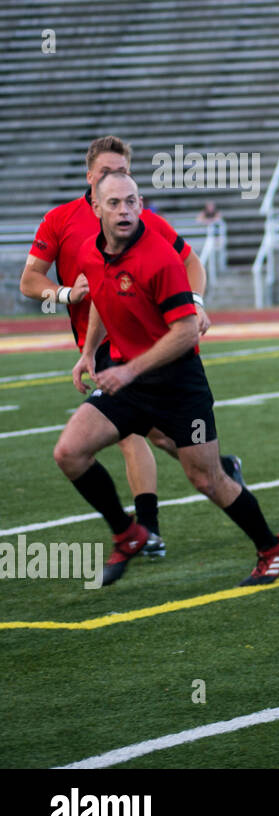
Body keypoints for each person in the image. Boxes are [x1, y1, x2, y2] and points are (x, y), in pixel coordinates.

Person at [52, 171, 279, 587]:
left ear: (141, 203)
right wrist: (89, 352)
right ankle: (127, 534)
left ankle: (273, 550)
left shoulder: (158, 258)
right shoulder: (92, 253)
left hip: (178, 386)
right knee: (69, 452)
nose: (124, 210)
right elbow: (100, 295)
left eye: (131, 201)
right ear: (96, 208)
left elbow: (184, 333)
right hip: (128, 381)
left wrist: (128, 369)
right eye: (114, 203)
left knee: (207, 479)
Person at [20, 135, 242, 561]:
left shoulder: (138, 217)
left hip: (143, 342)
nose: (116, 183)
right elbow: (29, 282)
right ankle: (218, 473)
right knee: (155, 435)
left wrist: (194, 305)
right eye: (106, 173)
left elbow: (191, 261)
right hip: (98, 339)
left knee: (132, 434)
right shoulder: (59, 220)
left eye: (122, 173)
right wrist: (68, 295)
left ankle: (146, 530)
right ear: (90, 177)